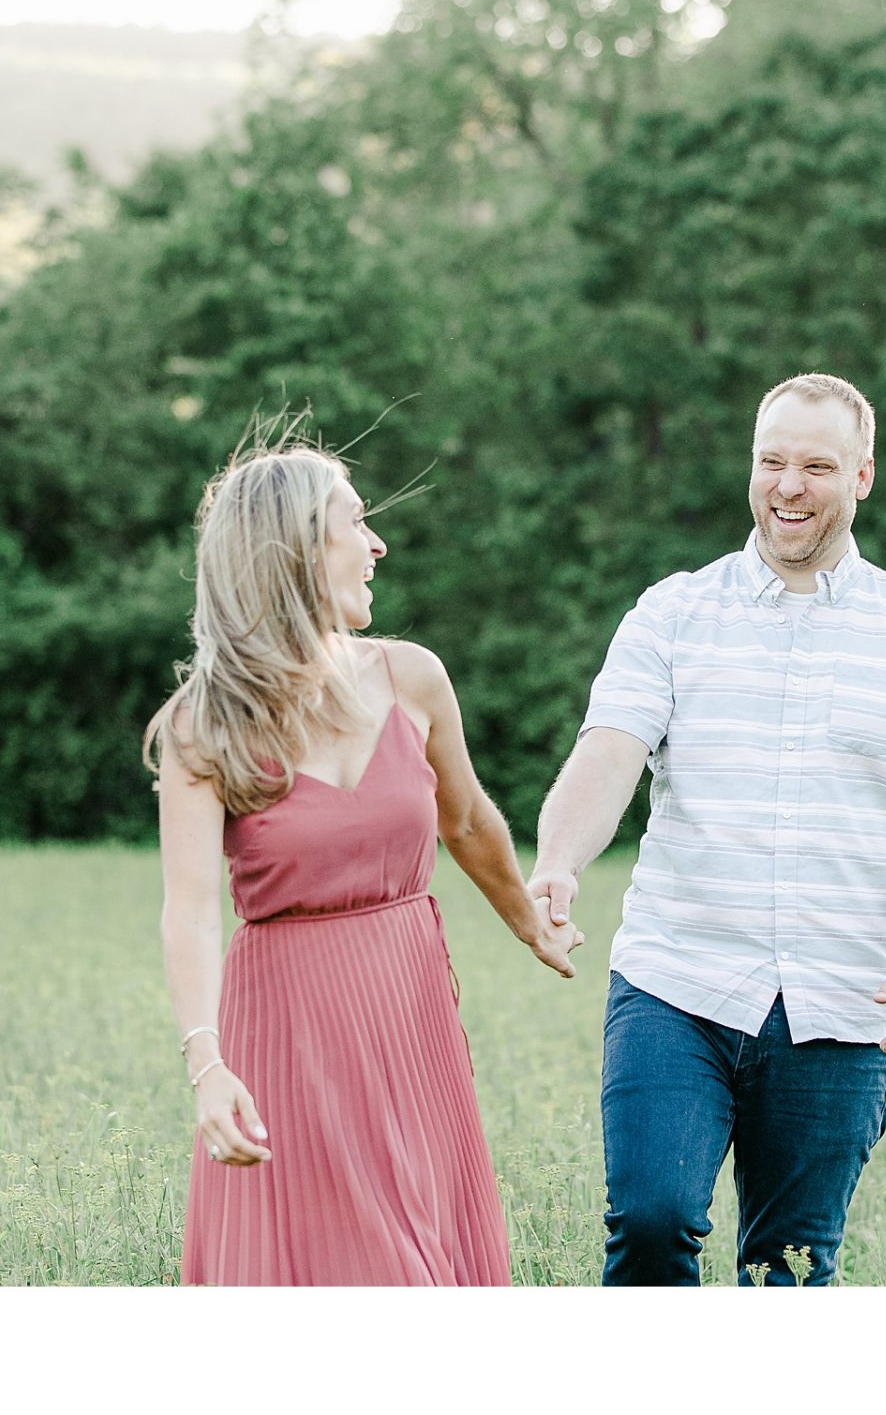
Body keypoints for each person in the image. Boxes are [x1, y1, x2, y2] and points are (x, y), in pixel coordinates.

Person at [528, 372, 886, 1286]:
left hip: (842, 999)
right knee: (653, 1219)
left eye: (817, 466)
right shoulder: (673, 613)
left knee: (788, 1265)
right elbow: (608, 753)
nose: (788, 486)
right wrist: (559, 860)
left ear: (863, 475)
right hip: (677, 982)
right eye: (771, 461)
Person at [145, 432, 583, 1286]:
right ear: (298, 549)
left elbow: (466, 821)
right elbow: (189, 911)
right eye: (357, 522)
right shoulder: (204, 725)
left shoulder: (413, 678)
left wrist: (528, 922)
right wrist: (208, 1065)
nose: (377, 545)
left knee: (420, 1253)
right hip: (287, 1033)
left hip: (409, 1017)